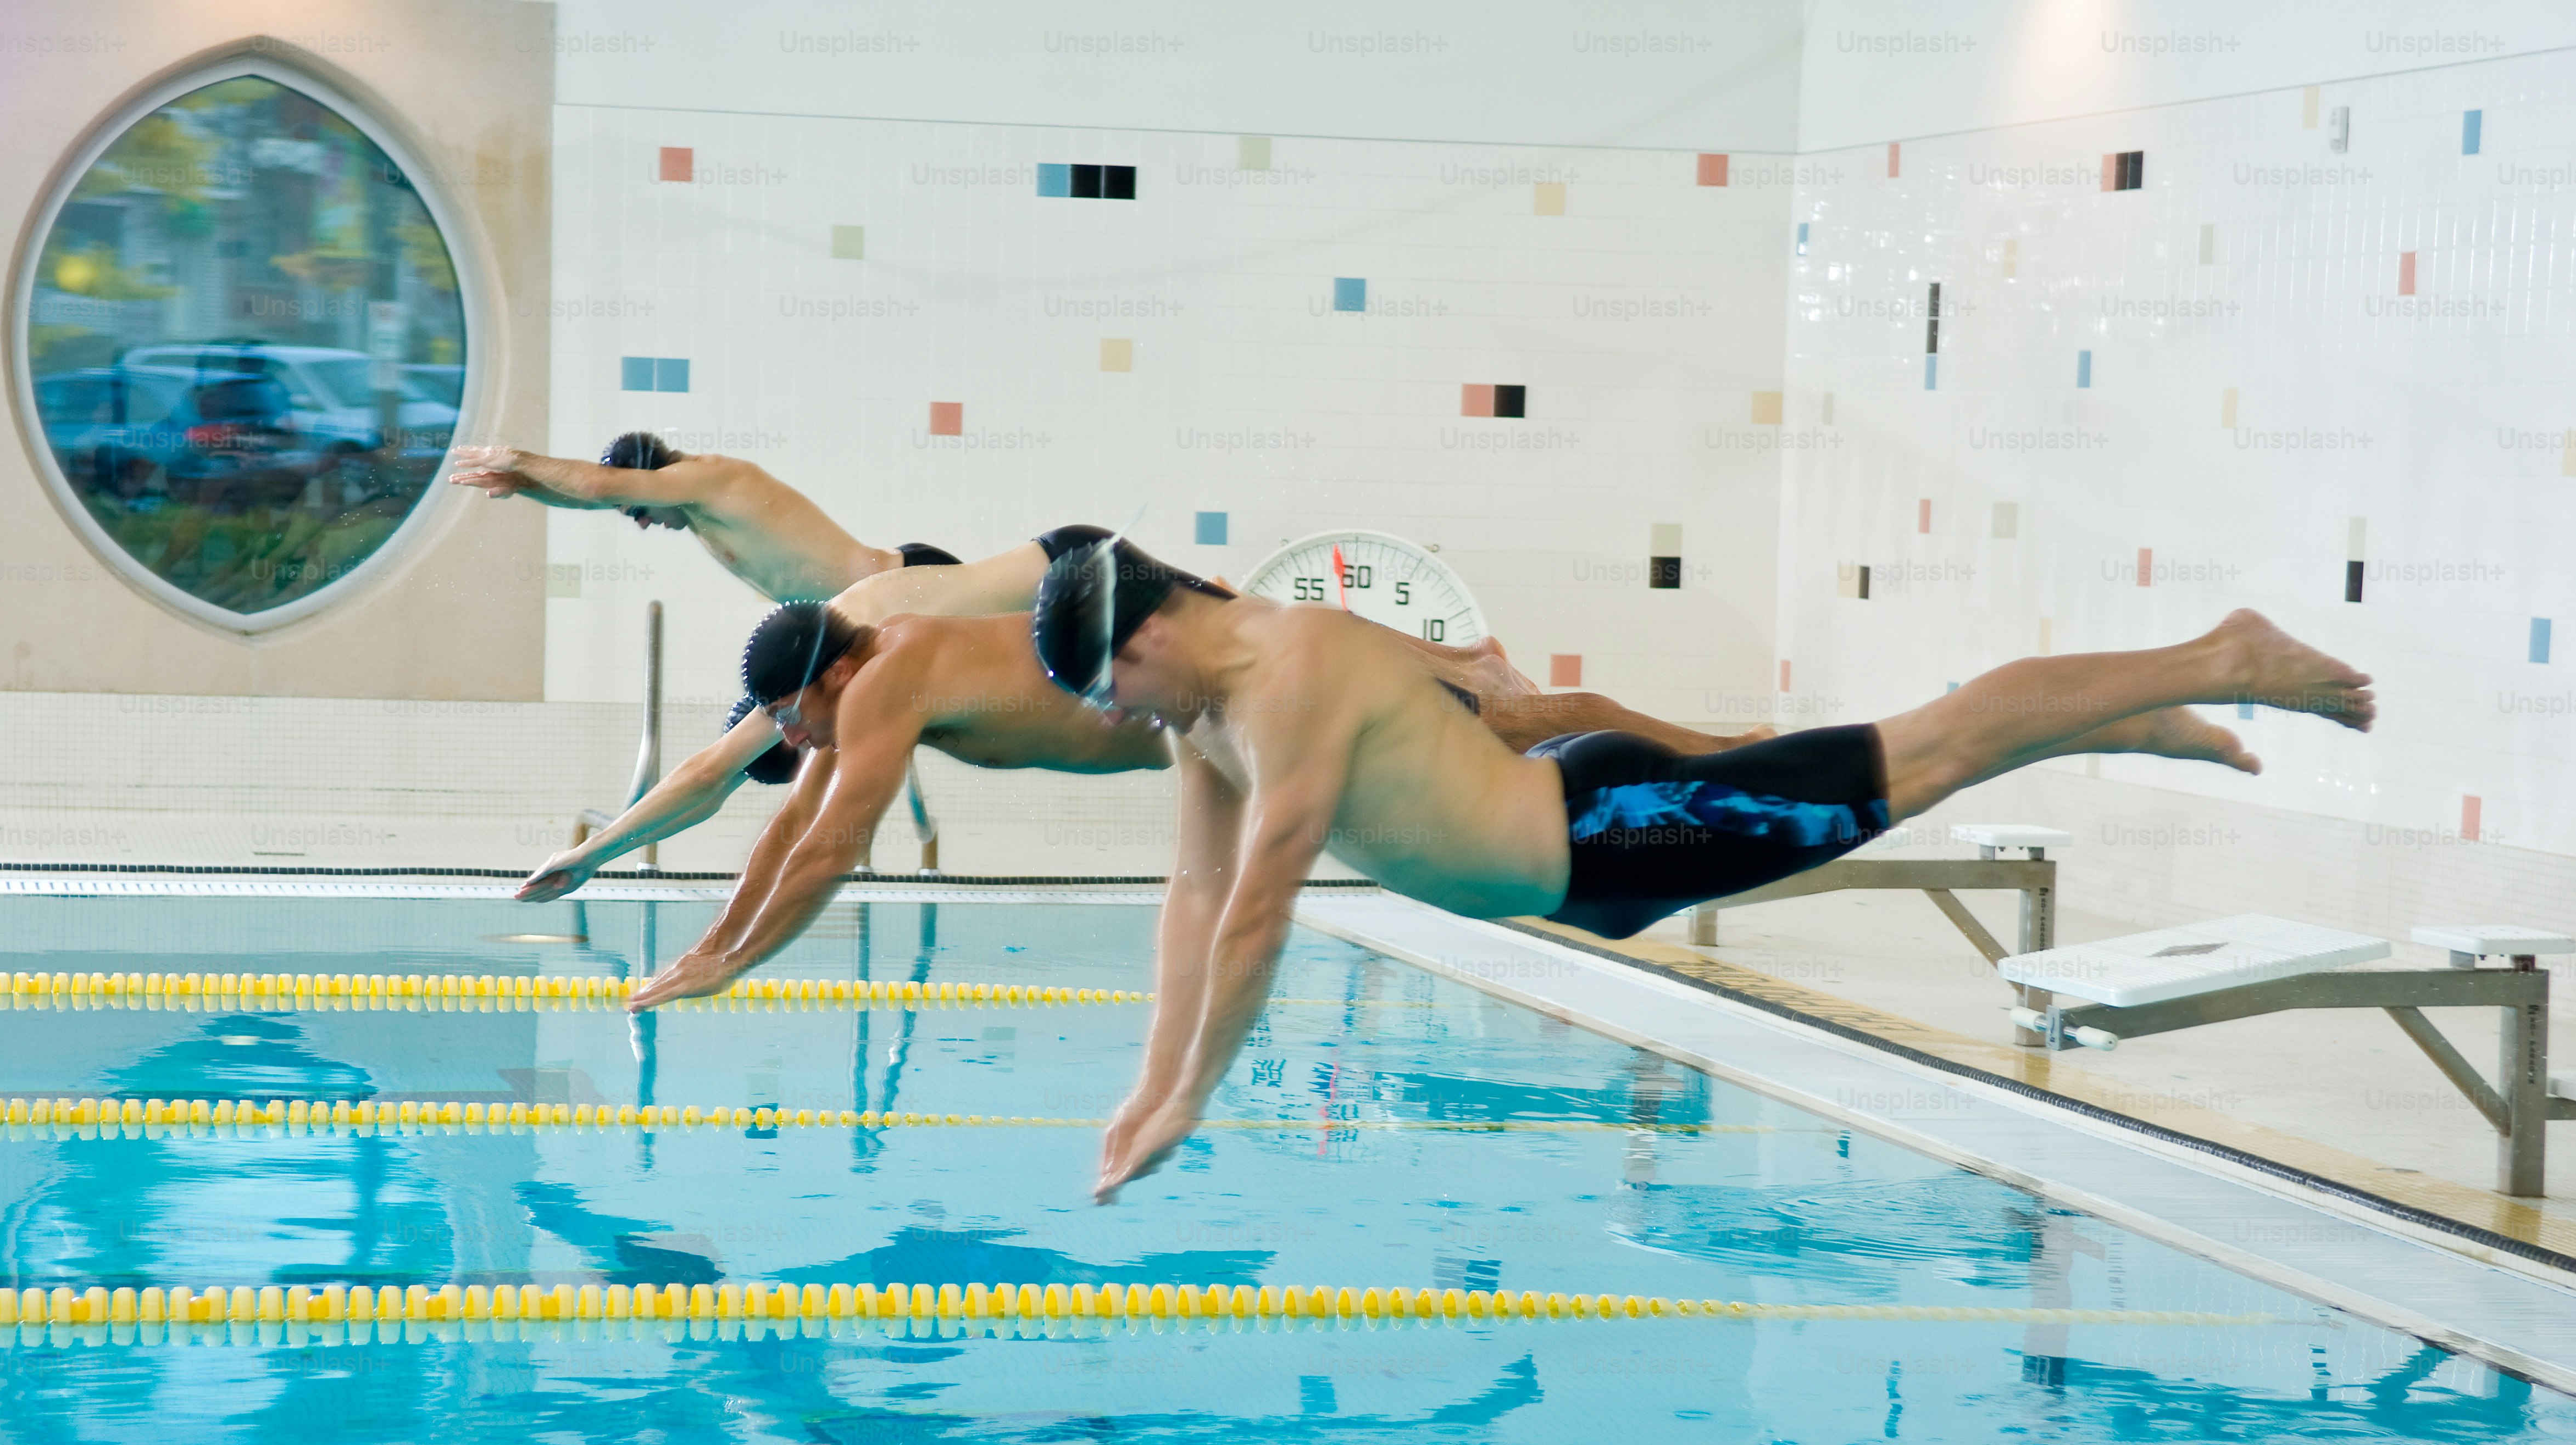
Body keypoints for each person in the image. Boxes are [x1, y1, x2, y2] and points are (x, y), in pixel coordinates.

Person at [1022, 536, 2377, 1202]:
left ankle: (2219, 656)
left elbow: (1261, 906)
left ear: (1154, 625)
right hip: (1592, 853)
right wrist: (1147, 1084)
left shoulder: (1292, 668)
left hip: (1626, 824)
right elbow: (1191, 902)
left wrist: (1191, 1098)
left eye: (1109, 682)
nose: (1116, 713)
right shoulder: (1202, 719)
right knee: (1922, 762)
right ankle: (2119, 711)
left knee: (1931, 743)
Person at [517, 526, 1758, 901]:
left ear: (816, 697)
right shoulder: (842, 634)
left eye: (795, 738)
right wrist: (591, 849)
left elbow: (726, 784)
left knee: (1508, 715)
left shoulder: (867, 657)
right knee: (1474, 703)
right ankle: (1463, 666)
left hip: (1107, 591)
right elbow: (715, 777)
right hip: (1087, 585)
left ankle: (1709, 747)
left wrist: (597, 852)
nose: (794, 752)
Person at [447, 432, 997, 614]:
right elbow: (591, 499)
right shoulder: (688, 505)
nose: (639, 523)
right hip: (872, 610)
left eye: (637, 509)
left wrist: (518, 459)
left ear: (651, 479)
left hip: (907, 587)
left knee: (1047, 651)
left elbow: (596, 485)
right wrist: (528, 488)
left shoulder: (706, 479)